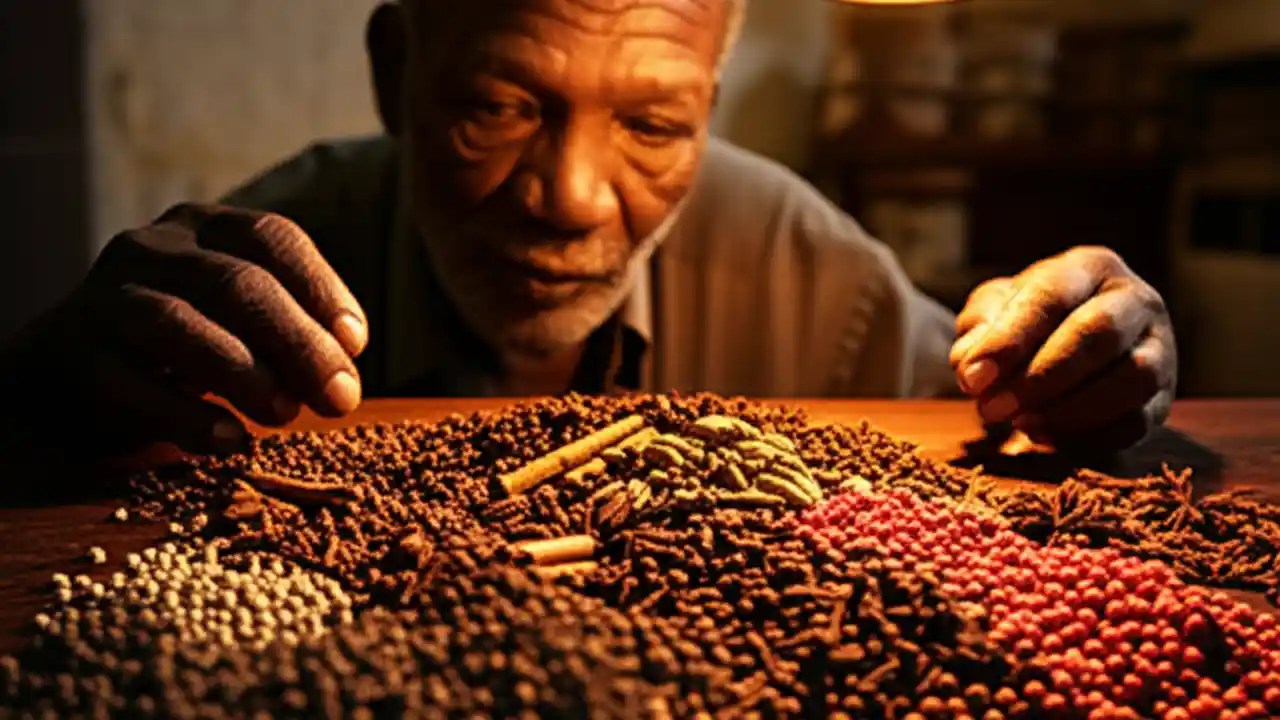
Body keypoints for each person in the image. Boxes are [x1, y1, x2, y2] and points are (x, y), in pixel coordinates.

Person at [0, 0, 1175, 457]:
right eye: (499, 106)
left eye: (654, 124)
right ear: (395, 72)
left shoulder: (811, 272)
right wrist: (39, 398)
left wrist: (1083, 351)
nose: (569, 198)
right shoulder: (277, 258)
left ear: (709, 110)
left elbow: (1018, 382)